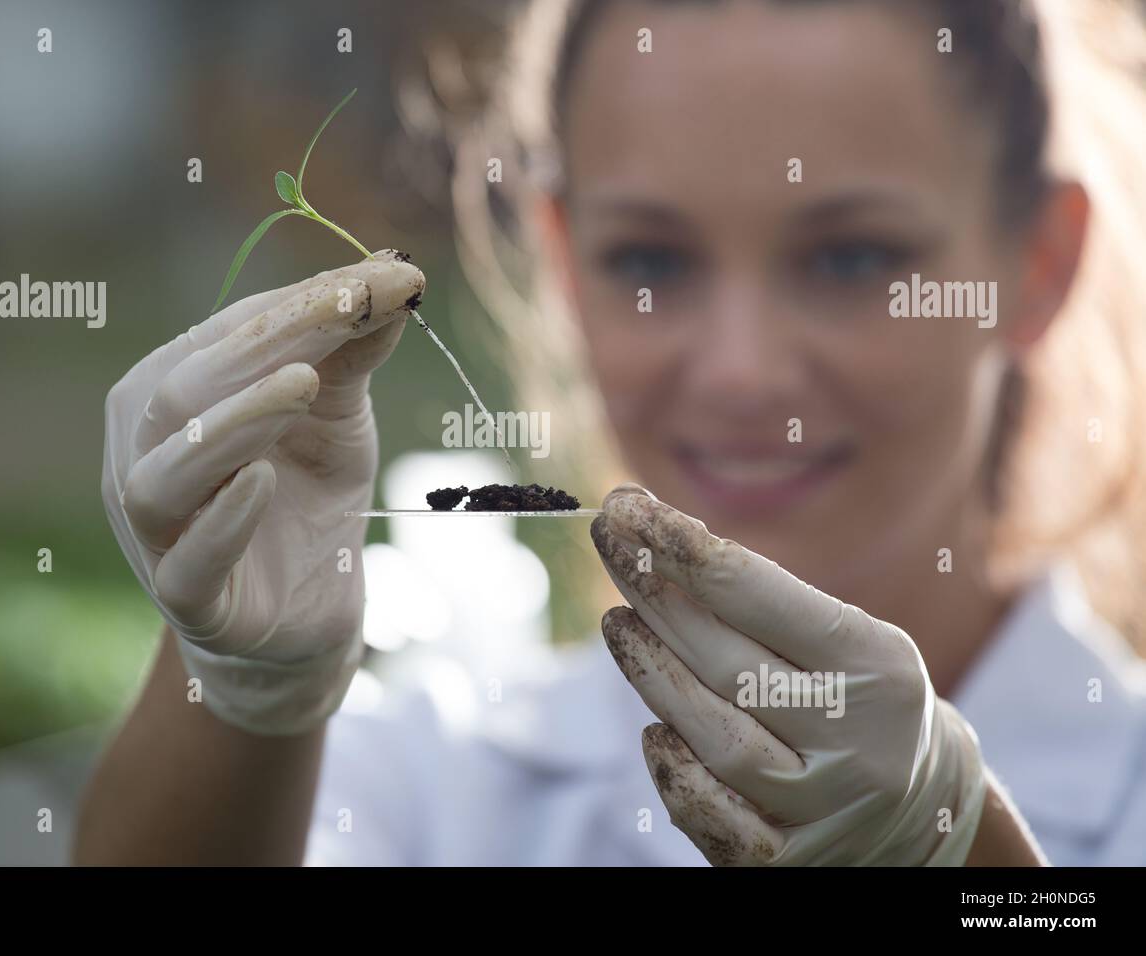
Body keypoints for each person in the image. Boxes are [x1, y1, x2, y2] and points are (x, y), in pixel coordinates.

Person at [75, 0, 1146, 865]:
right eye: (649, 262)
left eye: (852, 257)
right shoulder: (438, 785)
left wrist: (959, 851)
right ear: (561, 260)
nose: (740, 370)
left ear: (1038, 265)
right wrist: (242, 697)